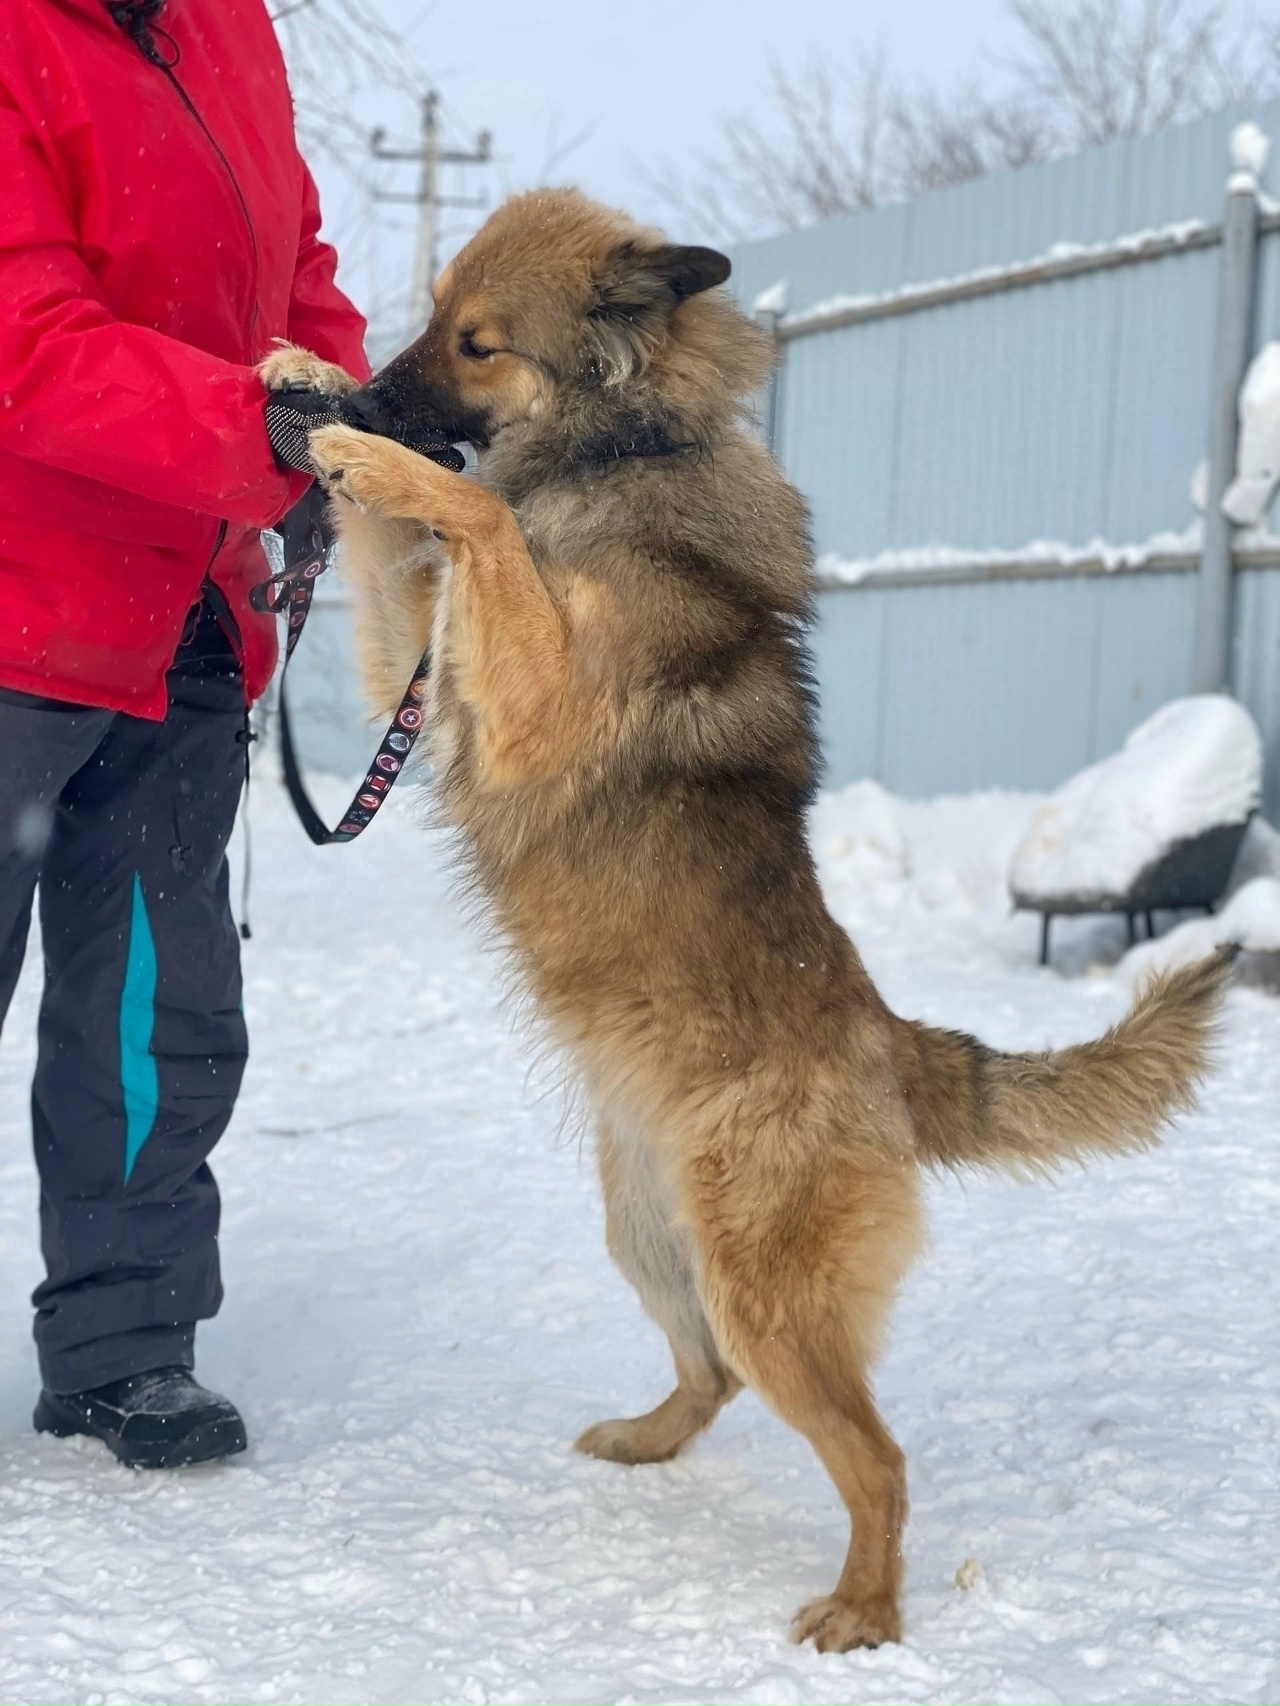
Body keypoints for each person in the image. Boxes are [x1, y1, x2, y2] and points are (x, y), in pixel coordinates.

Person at [0, 0, 369, 1467]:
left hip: (186, 616)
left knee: (157, 1005)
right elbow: (27, 342)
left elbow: (298, 272)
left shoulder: (228, 28)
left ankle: (123, 1345)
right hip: (19, 603)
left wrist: (345, 421)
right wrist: (254, 432)